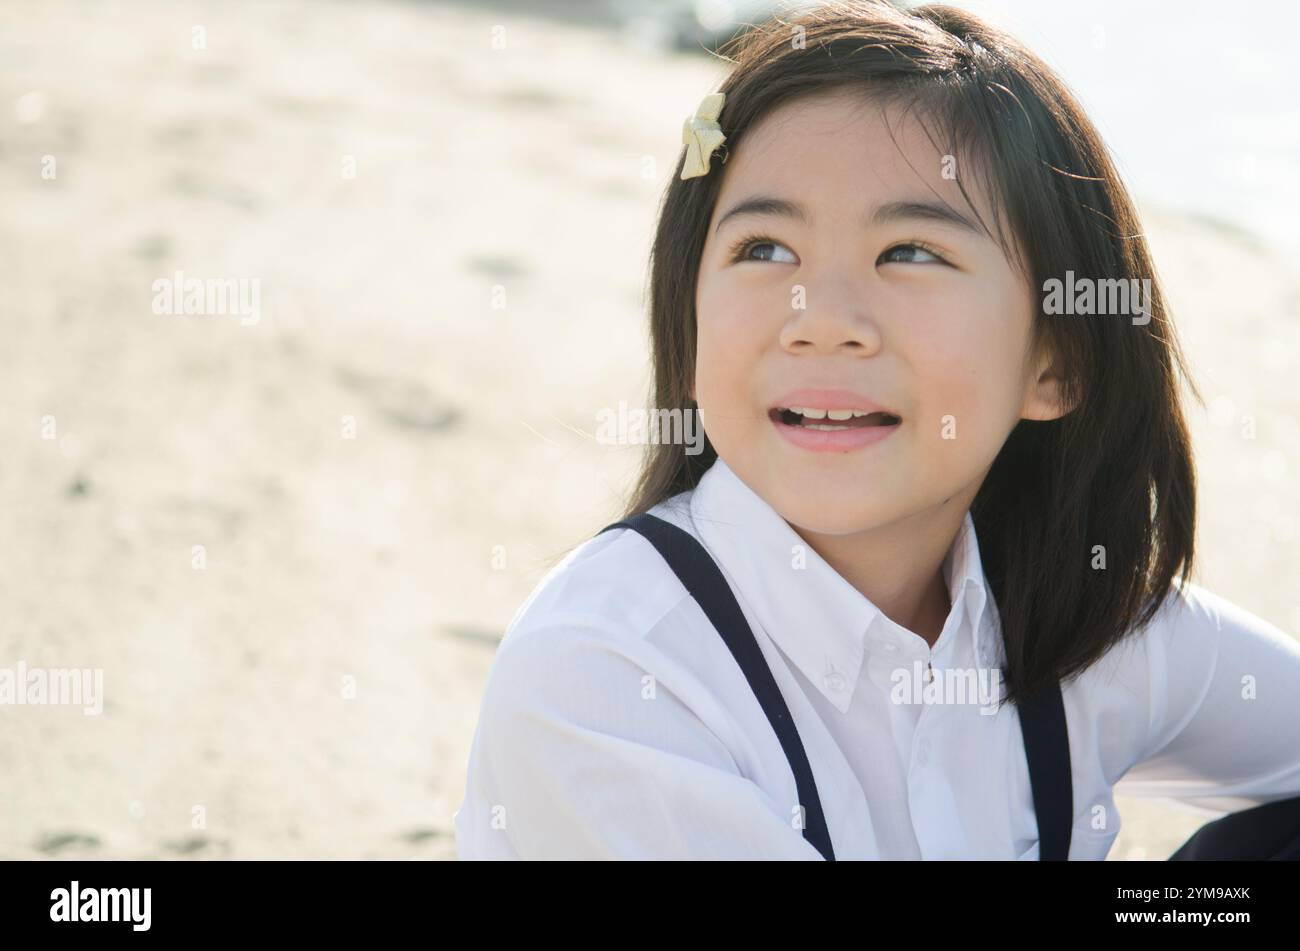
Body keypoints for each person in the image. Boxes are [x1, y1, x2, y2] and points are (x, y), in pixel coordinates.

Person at [453, 0, 1300, 859]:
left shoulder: (1077, 614)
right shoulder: (605, 670)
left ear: (1058, 364)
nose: (818, 320)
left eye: (910, 253)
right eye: (765, 249)